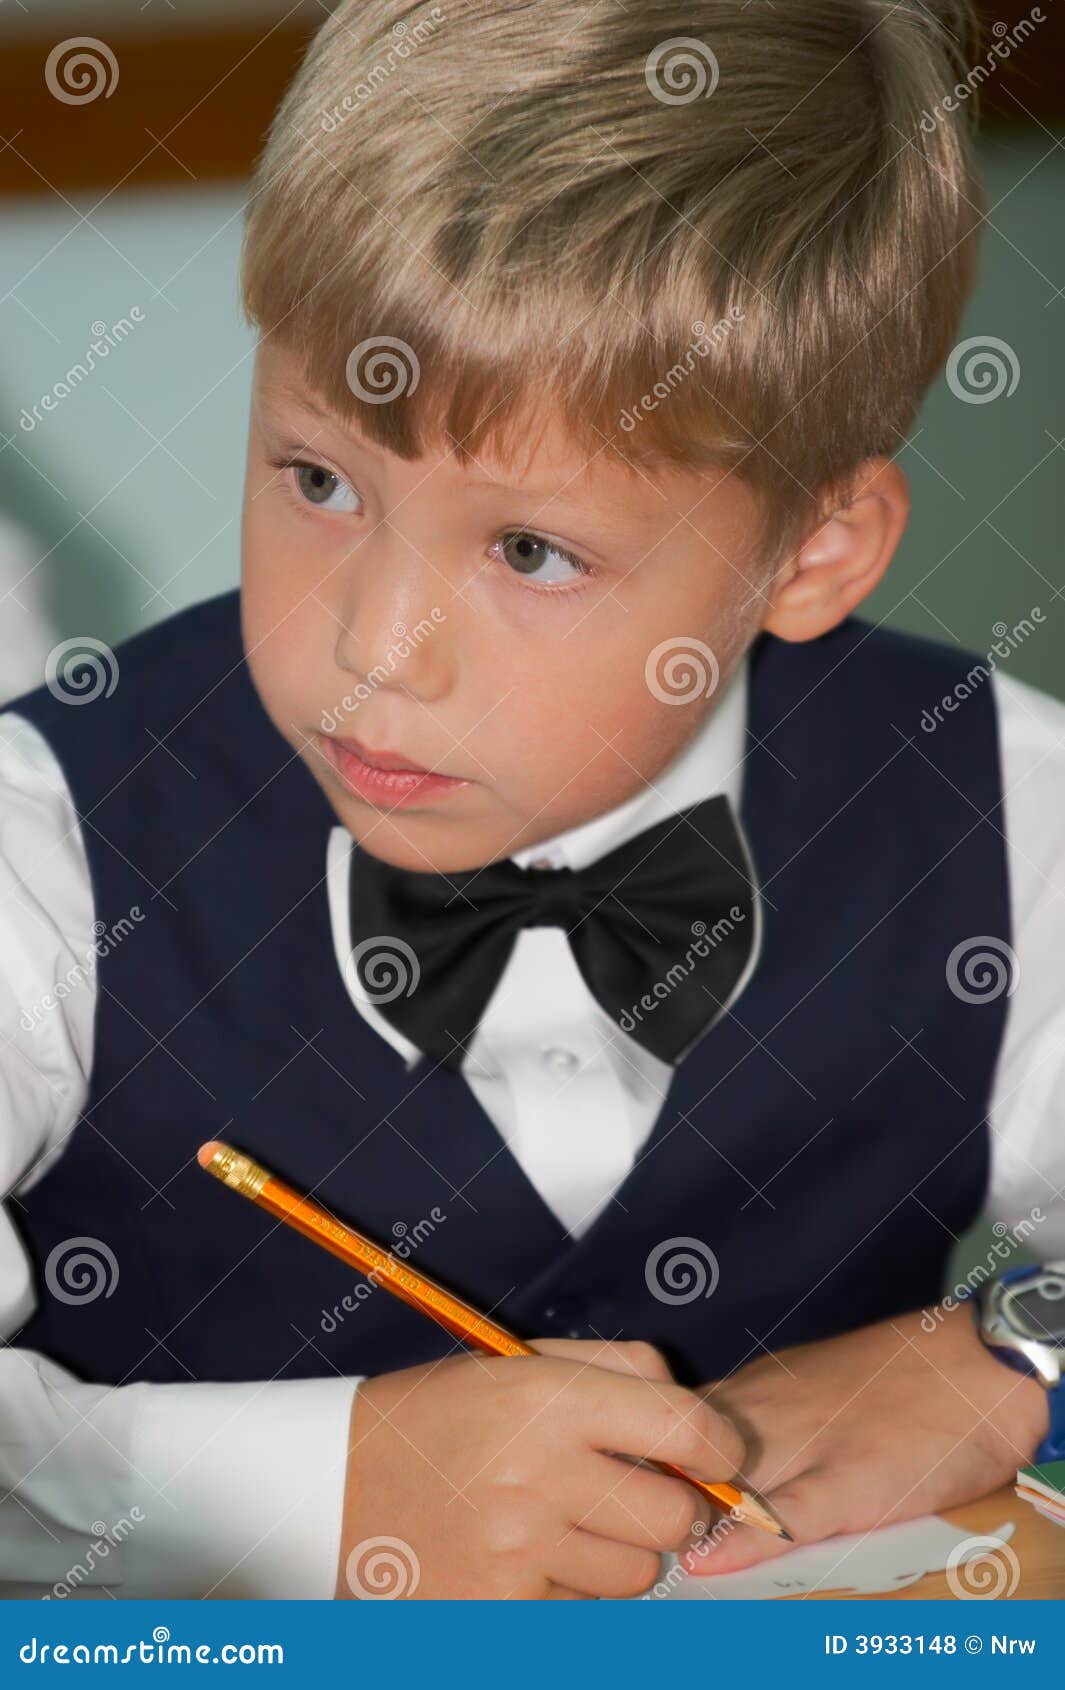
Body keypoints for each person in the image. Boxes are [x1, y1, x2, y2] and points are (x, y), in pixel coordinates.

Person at [1, 0, 1062, 1601]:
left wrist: (1010, 1360)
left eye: (530, 551)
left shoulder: (1006, 807)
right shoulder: (46, 840)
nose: (373, 650)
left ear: (814, 551)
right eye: (319, 480)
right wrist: (317, 1487)